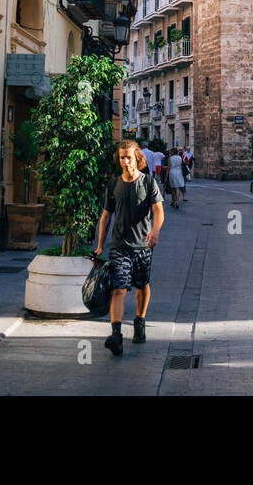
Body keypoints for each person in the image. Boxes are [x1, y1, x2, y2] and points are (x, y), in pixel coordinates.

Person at [94, 140, 165, 355]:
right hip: (119, 246)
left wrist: (155, 232)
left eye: (129, 158)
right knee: (118, 289)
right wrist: (99, 246)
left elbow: (159, 211)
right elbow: (106, 217)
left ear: (137, 159)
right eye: (122, 158)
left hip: (142, 246)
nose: (125, 162)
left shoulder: (148, 183)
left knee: (142, 285)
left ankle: (140, 322)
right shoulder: (113, 185)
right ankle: (116, 335)